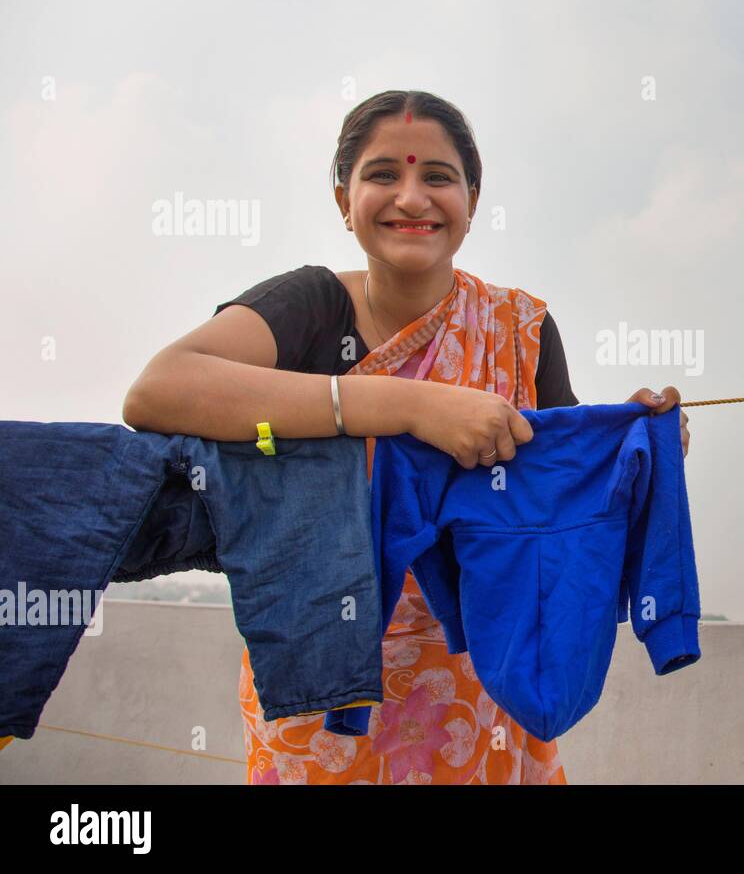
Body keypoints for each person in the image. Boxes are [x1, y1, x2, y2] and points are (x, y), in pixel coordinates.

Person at [122, 89, 690, 784]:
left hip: (481, 680)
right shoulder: (307, 307)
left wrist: (629, 442)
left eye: (438, 177)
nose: (412, 198)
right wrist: (411, 407)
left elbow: (559, 486)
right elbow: (159, 391)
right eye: (384, 174)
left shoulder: (521, 332)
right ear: (344, 199)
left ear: (473, 200)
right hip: (322, 682)